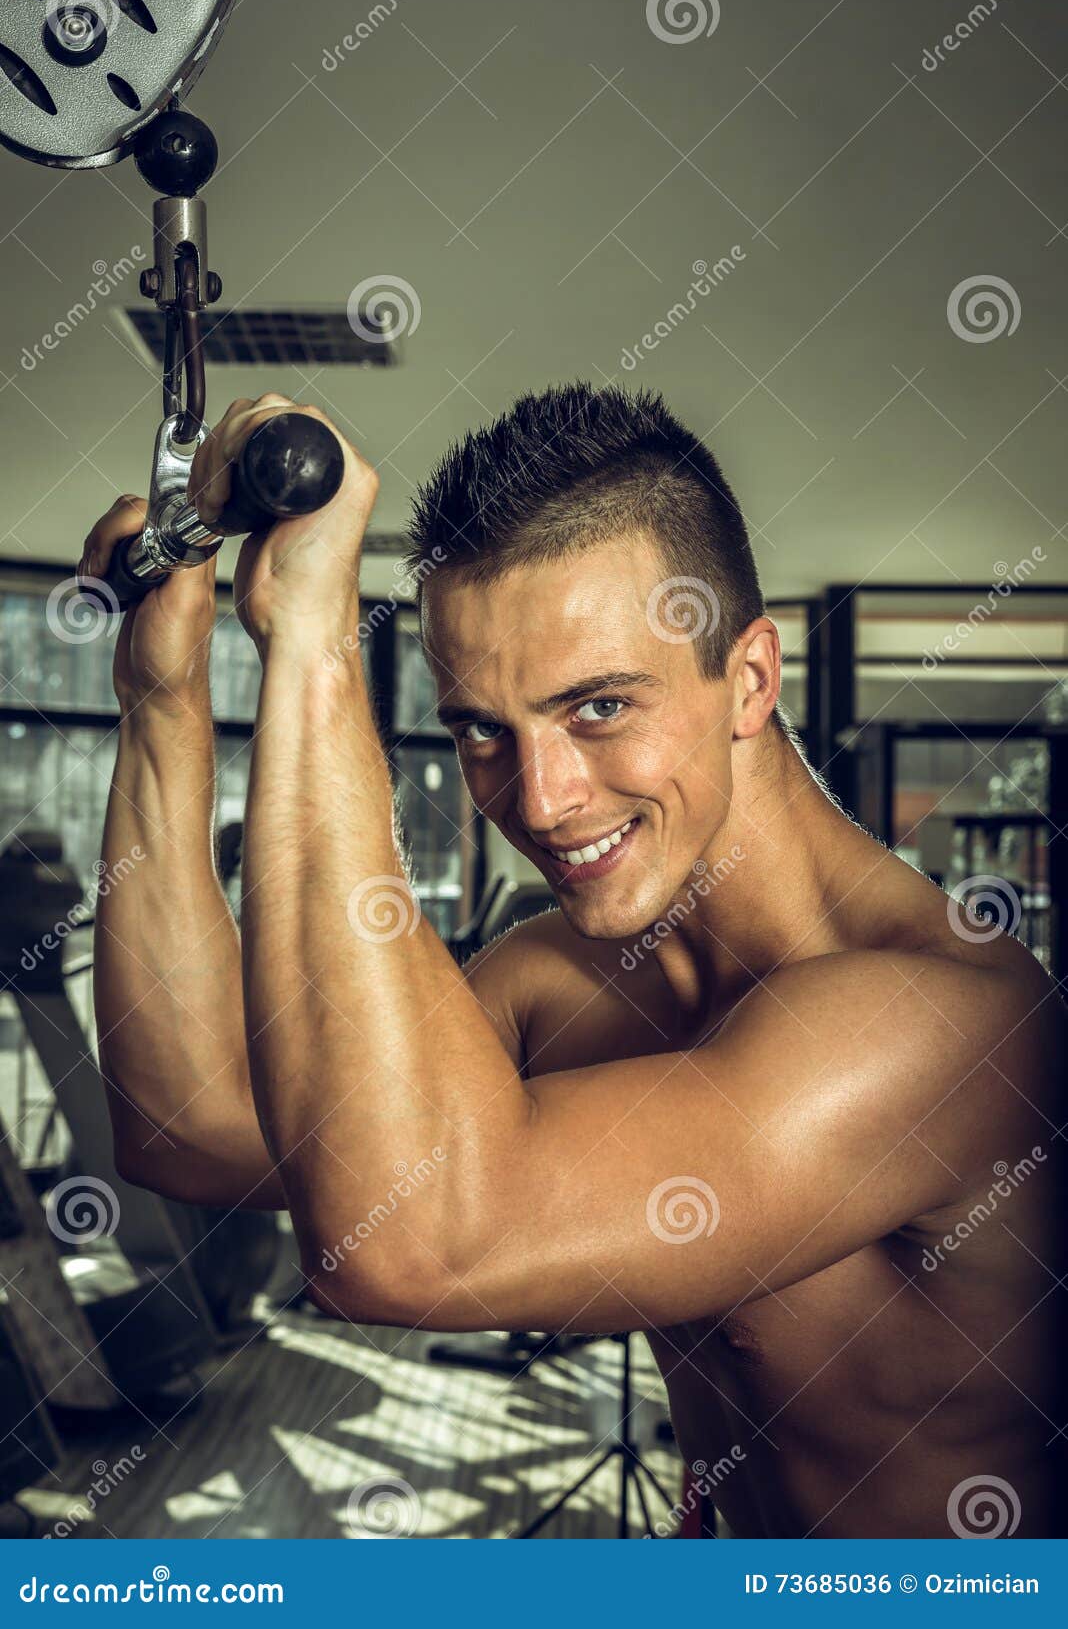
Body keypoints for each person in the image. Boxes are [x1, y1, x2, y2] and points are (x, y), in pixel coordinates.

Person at [79, 382, 1065, 1538]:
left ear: (750, 680)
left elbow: (409, 1247)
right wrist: (161, 702)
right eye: (482, 729)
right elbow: (192, 1124)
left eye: (599, 707)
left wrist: (314, 649)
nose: (540, 801)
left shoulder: (942, 1025)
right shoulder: (566, 982)